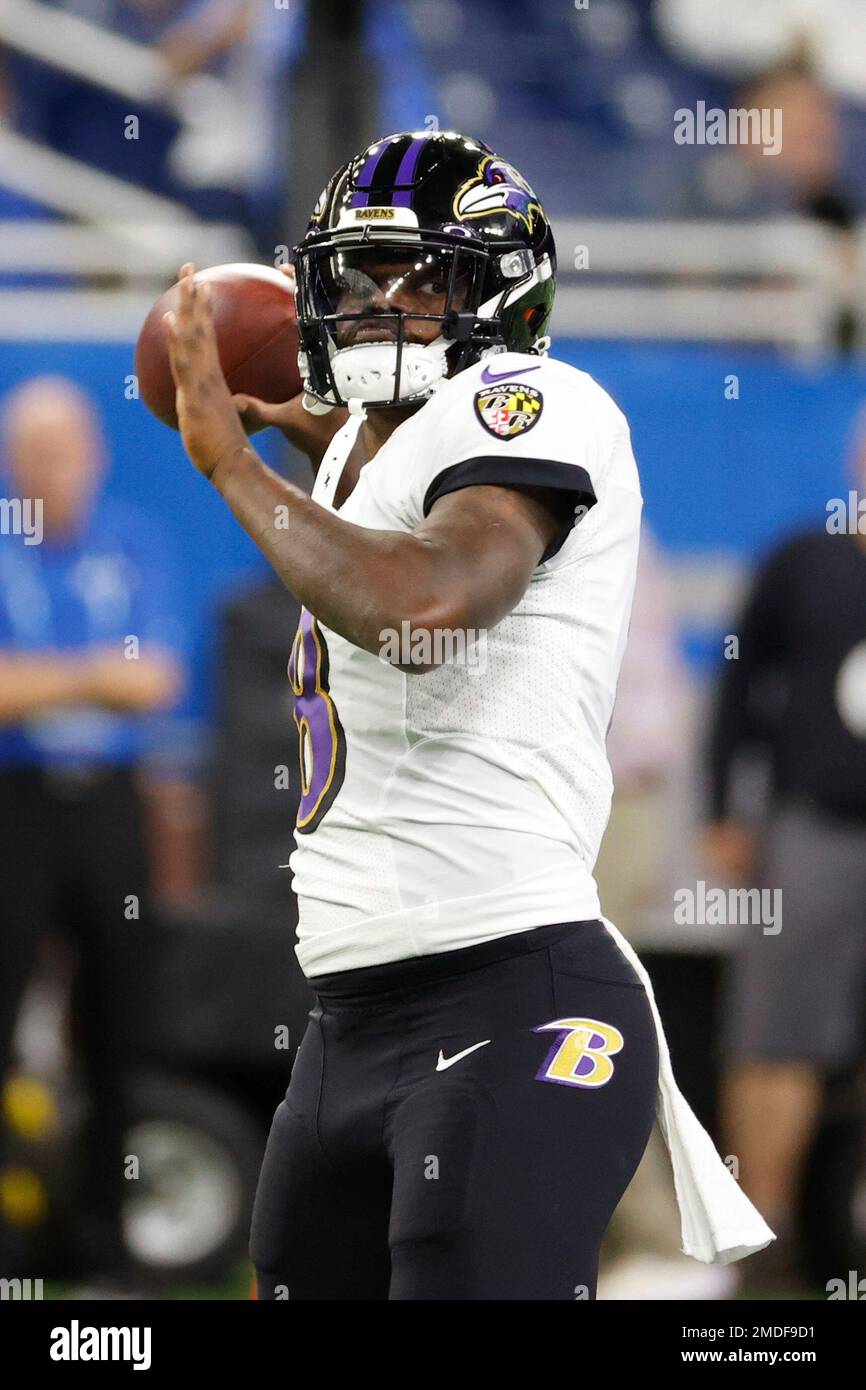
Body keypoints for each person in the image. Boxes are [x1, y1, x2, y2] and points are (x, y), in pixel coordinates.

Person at [163, 130, 773, 1300]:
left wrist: (233, 469)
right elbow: (397, 517)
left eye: (420, 279)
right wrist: (335, 457)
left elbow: (425, 603)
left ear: (498, 291)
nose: (378, 308)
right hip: (346, 1020)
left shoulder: (534, 399)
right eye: (356, 280)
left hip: (507, 994)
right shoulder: (366, 458)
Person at [0, 376, 184, 1279]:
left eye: (63, 451)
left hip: (108, 801)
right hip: (16, 803)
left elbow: (159, 681)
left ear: (95, 457)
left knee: (120, 1017)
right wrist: (94, 677)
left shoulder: (132, 543)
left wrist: (38, 680)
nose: (49, 471)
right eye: (32, 452)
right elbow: (119, 678)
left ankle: (104, 1232)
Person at [705, 407, 866, 1292]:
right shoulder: (805, 562)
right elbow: (735, 690)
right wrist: (725, 809)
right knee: (776, 1037)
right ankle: (762, 1241)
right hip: (814, 831)